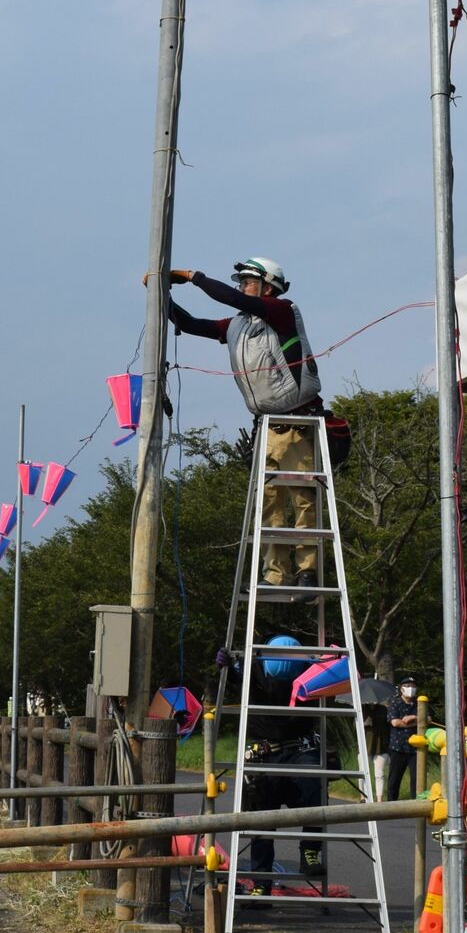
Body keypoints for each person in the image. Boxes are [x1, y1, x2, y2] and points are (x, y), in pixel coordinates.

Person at [166, 259, 323, 589]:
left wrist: (195, 278)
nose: (241, 287)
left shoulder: (282, 311)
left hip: (297, 422)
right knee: (269, 503)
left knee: (302, 498)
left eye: (248, 282)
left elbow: (234, 299)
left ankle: (307, 569)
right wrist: (160, 300)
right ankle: (278, 573)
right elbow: (193, 324)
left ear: (268, 287)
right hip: (266, 425)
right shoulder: (237, 326)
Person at [220, 635, 324, 897]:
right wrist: (224, 664)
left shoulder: (311, 675)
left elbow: (342, 677)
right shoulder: (253, 669)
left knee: (316, 788)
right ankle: (261, 884)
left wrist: (333, 662)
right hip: (264, 754)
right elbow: (233, 674)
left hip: (299, 750)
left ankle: (310, 851)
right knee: (261, 819)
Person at [385, 675, 420, 801]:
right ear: (401, 688)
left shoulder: (419, 703)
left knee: (417, 779)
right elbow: (395, 722)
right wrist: (418, 722)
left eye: (413, 686)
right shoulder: (394, 702)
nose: (410, 688)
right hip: (398, 747)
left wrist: (413, 717)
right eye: (407, 686)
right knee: (394, 779)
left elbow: (428, 719)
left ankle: (416, 803)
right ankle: (391, 804)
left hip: (416, 749)